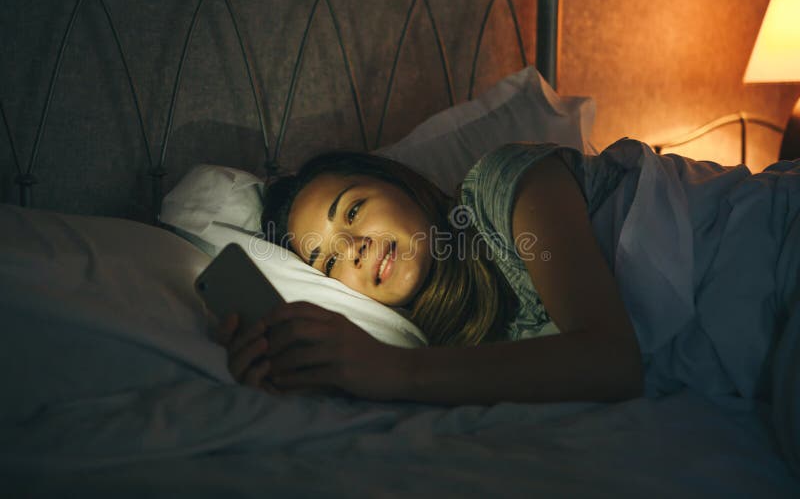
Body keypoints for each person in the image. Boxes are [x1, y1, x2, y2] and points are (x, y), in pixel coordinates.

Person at [215, 139, 800, 409]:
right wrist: (305, 366)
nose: (355, 247)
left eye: (354, 210)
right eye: (326, 261)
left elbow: (610, 361)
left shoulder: (507, 190)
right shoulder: (451, 345)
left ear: (402, 185)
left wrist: (390, 370)